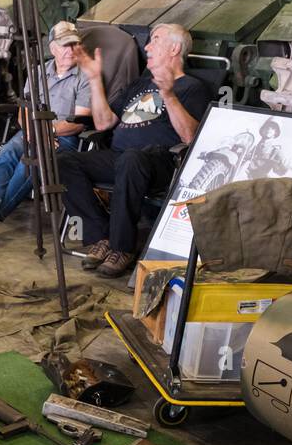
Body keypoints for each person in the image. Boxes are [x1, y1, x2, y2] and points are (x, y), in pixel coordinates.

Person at [59, 22, 212, 278]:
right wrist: (95, 78)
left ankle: (122, 247)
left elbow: (190, 136)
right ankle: (103, 235)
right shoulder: (138, 85)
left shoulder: (192, 87)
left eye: (155, 40)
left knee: (131, 159)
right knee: (60, 161)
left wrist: (169, 95)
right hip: (120, 158)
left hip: (161, 160)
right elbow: (104, 123)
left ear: (174, 49)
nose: (147, 46)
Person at [0, 21, 91, 239]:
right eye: (65, 45)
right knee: (9, 151)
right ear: (53, 48)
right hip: (34, 131)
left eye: (74, 45)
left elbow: (79, 122)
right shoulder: (38, 72)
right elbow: (23, 111)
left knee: (33, 158)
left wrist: (47, 133)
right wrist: (36, 133)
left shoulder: (85, 77)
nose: (71, 50)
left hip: (64, 138)